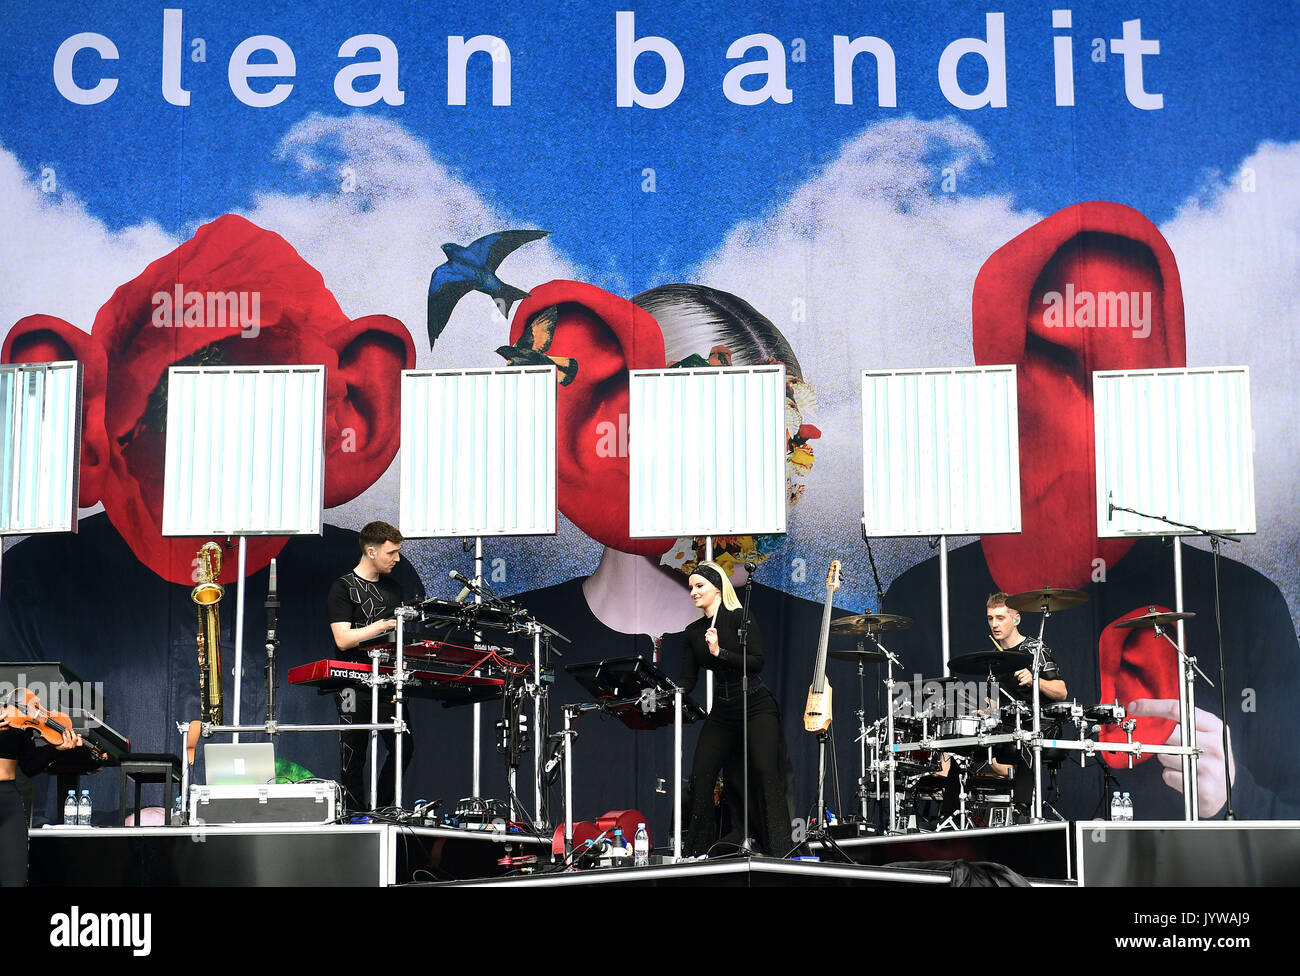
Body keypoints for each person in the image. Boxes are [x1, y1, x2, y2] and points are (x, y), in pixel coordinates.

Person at [679, 561, 790, 857]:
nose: (693, 592)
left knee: (766, 772)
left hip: (756, 705)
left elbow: (757, 661)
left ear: (717, 588)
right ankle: (697, 852)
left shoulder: (739, 617)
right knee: (702, 775)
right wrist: (661, 690)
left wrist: (720, 653)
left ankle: (779, 850)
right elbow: (687, 680)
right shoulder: (693, 632)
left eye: (699, 585)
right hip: (724, 711)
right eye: (691, 587)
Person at [327, 521, 414, 813]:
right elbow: (342, 639)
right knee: (353, 753)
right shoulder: (343, 587)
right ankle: (354, 814)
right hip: (352, 681)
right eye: (392, 552)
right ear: (371, 551)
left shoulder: (395, 589)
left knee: (404, 746)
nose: (397, 558)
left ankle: (384, 808)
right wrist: (379, 626)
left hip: (389, 681)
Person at [1, 714, 83, 887]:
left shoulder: (12, 715)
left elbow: (30, 766)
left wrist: (56, 749)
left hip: (9, 802)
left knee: (15, 880)